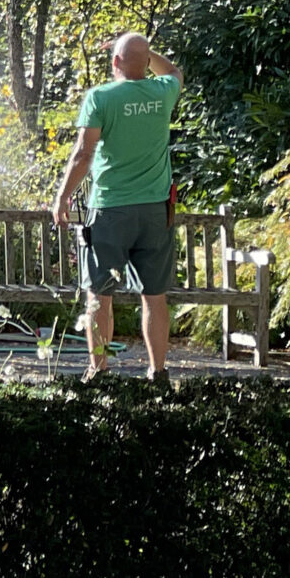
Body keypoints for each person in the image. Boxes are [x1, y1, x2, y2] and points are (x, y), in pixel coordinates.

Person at [52, 32, 182, 381]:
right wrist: (144, 52)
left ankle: (99, 371)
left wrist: (63, 196)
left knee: (99, 295)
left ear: (114, 63)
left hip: (110, 209)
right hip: (156, 211)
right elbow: (175, 72)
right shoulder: (162, 92)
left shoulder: (100, 98)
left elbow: (83, 153)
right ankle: (158, 373)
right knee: (155, 297)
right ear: (145, 63)